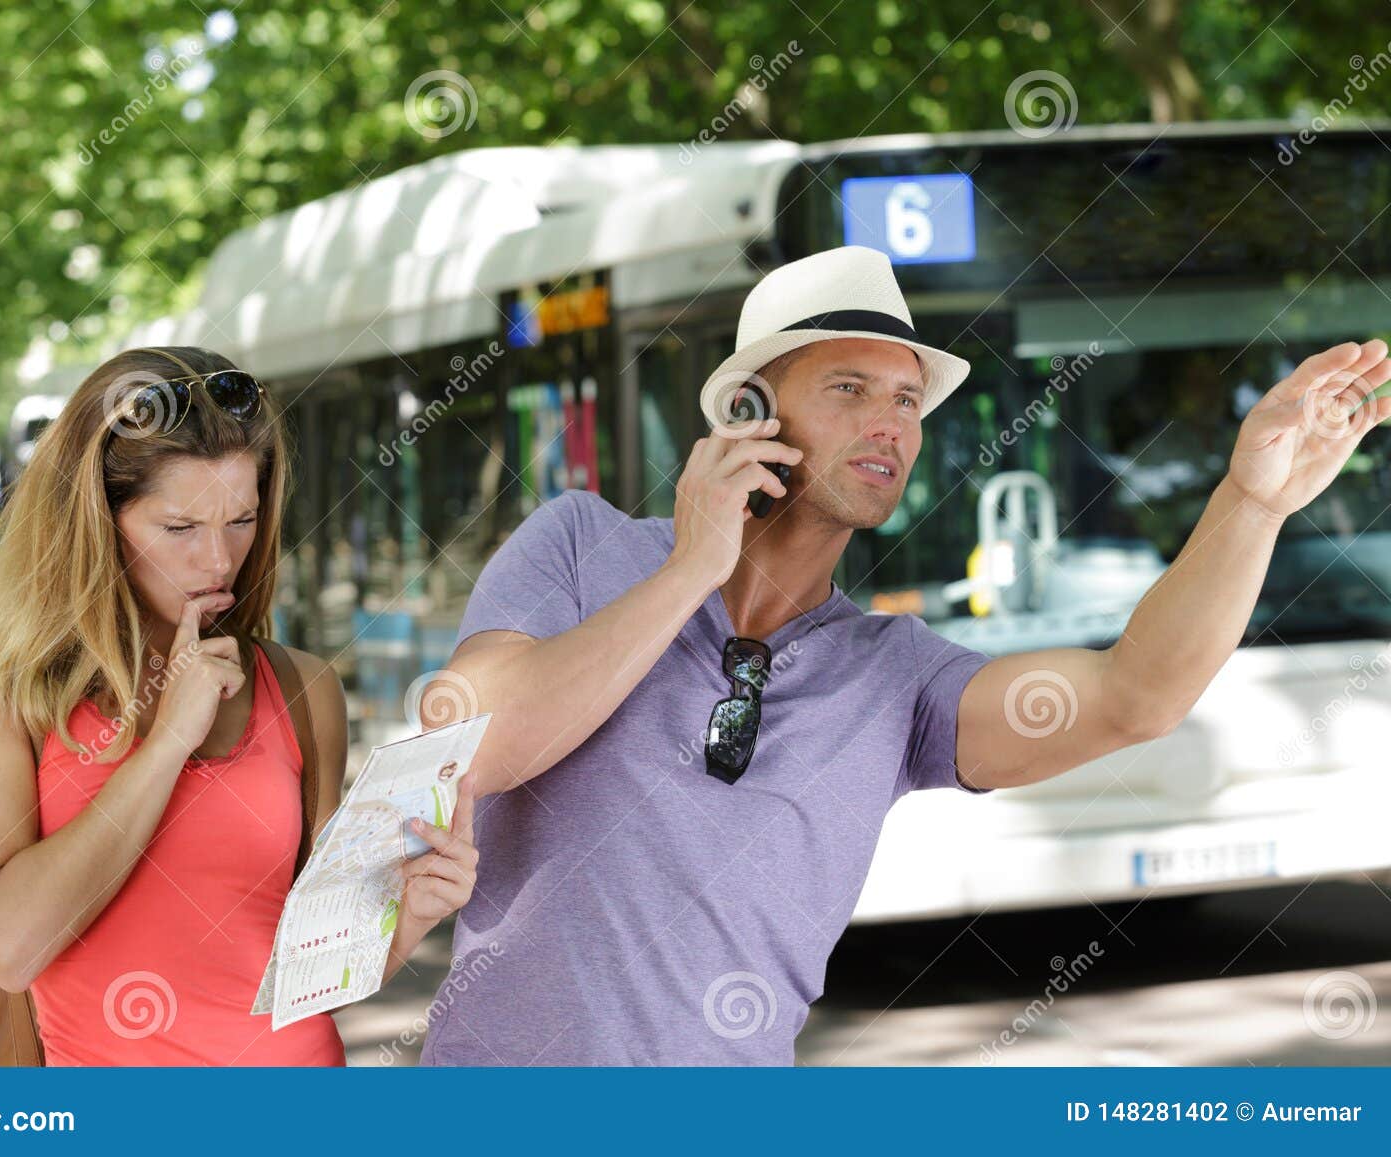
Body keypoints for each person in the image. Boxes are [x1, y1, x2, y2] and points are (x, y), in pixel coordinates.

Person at [415, 245, 1391, 1065]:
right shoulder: (579, 543)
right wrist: (687, 571)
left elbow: (1133, 696)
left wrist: (1252, 504)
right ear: (748, 413)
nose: (891, 422)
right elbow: (472, 739)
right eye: (850, 389)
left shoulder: (895, 672)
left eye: (906, 399)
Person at [0, 345, 479, 1066]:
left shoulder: (303, 689)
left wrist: (410, 916)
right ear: (94, 520)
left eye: (242, 520)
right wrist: (165, 744)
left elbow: (310, 974)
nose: (219, 560)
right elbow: (9, 947)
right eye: (180, 528)